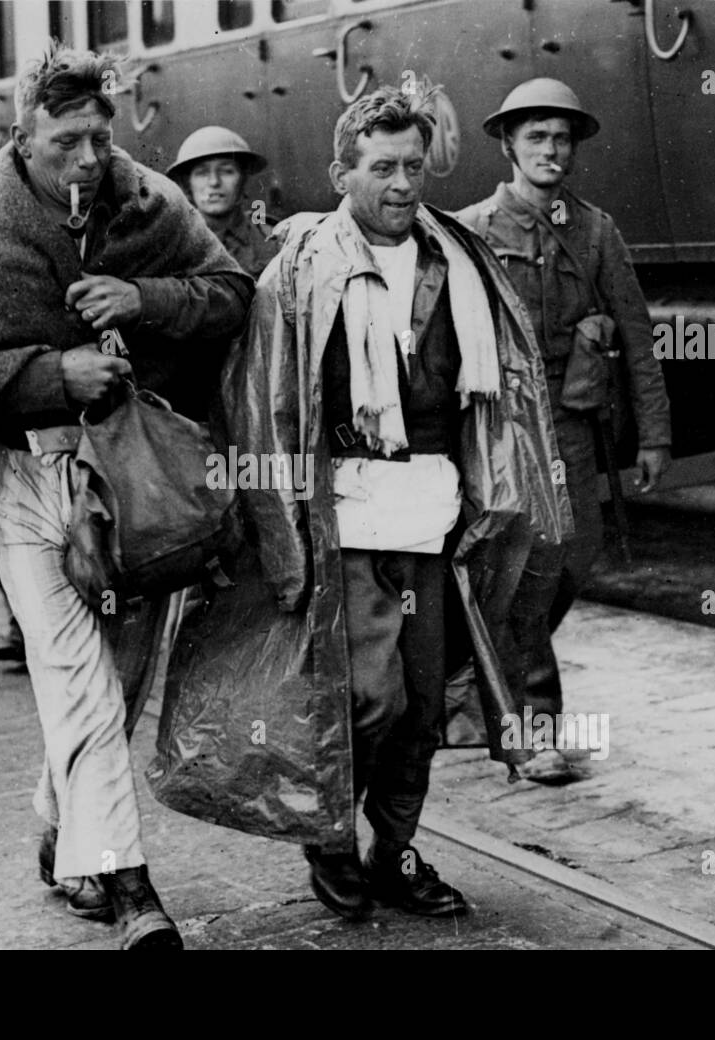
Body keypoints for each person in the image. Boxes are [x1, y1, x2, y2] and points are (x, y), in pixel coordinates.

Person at [0, 44, 252, 949]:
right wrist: (49, 375)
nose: (87, 159)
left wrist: (145, 299)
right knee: (79, 686)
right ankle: (129, 889)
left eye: (100, 139)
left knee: (113, 687)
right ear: (20, 137)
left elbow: (232, 292)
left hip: (142, 490)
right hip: (32, 489)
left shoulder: (150, 201)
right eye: (67, 140)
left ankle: (62, 827)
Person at [221, 86, 571, 922]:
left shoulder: (459, 260)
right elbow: (264, 406)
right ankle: (330, 837)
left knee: (423, 703)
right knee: (367, 696)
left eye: (415, 165)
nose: (403, 184)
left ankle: (393, 850)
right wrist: (278, 534)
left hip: (437, 510)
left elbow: (502, 398)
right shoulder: (301, 269)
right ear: (342, 173)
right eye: (382, 168)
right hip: (341, 511)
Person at [455, 79, 671, 773]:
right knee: (528, 573)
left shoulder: (596, 231)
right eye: (536, 137)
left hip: (573, 426)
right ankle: (532, 733)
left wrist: (656, 436)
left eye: (561, 138)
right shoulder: (474, 230)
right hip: (507, 427)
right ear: (508, 145)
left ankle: (480, 681)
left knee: (573, 559)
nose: (551, 150)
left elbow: (638, 338)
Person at [167, 126, 278, 279]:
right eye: (202, 173)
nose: (214, 182)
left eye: (227, 171)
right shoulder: (172, 246)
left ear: (243, 179)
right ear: (188, 184)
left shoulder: (270, 238)